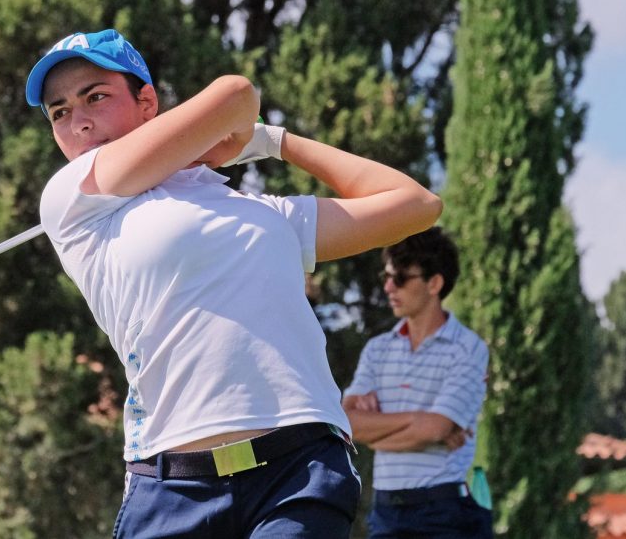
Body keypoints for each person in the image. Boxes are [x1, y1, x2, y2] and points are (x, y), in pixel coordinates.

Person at [25, 28, 443, 538]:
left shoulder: (263, 214)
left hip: (298, 472)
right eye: (59, 112)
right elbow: (235, 97)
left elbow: (416, 205)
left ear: (147, 103)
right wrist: (216, 135)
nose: (80, 122)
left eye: (95, 97)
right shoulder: (72, 197)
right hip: (172, 487)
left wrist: (274, 141)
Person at [342, 227, 492, 538]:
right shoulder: (377, 349)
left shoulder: (468, 348)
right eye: (386, 276)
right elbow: (348, 424)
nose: (388, 287)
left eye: (399, 278)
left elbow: (434, 429)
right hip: (384, 515)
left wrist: (376, 431)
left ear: (434, 283)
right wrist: (419, 421)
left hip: (445, 516)